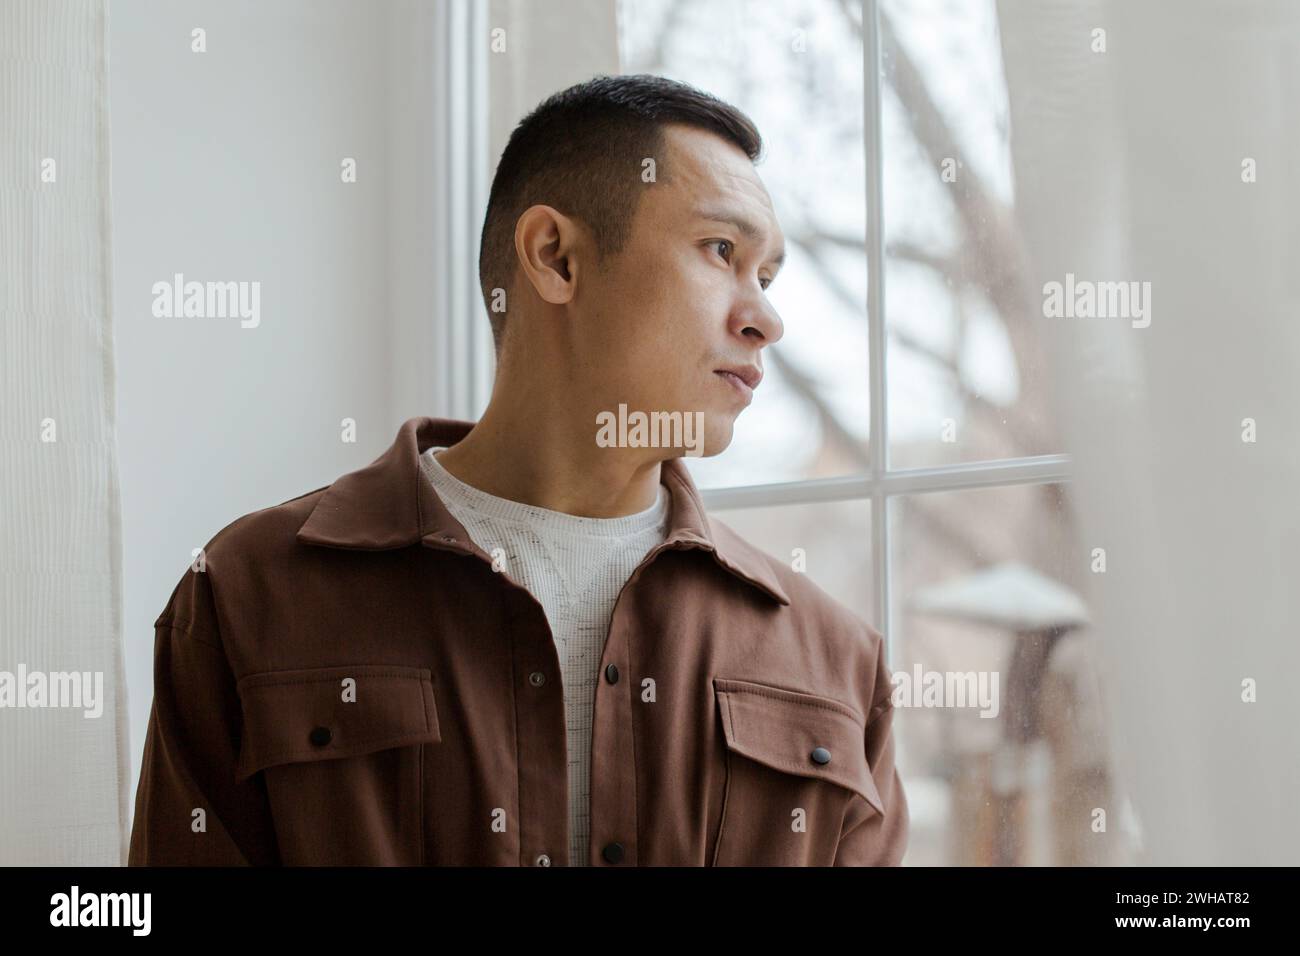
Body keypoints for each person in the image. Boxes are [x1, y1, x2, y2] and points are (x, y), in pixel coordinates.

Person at [128, 73, 908, 867]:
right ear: (555, 258)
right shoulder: (248, 594)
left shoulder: (836, 664)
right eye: (722, 252)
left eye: (767, 277)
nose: (765, 319)